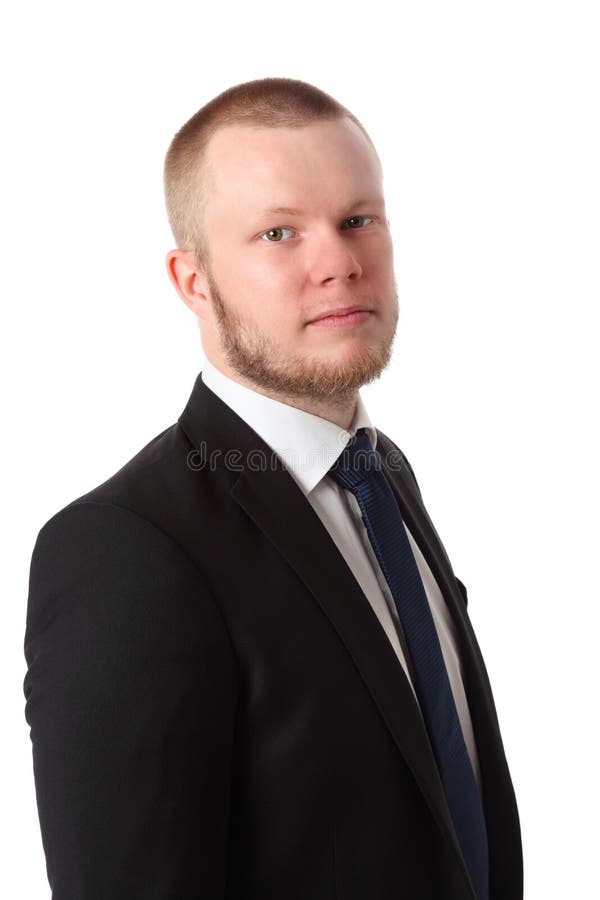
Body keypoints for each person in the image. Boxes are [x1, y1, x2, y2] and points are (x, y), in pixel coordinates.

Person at [23, 77, 523, 899]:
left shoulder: (379, 475)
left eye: (357, 219)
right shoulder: (125, 548)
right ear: (194, 282)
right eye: (279, 232)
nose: (340, 263)